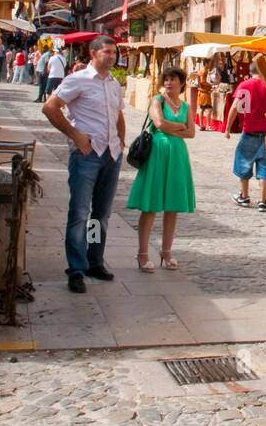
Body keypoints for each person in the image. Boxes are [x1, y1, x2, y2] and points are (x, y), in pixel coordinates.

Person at [43, 36, 125, 294]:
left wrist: (121, 141)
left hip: (110, 154)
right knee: (79, 212)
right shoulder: (78, 80)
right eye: (107, 52)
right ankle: (76, 268)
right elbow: (50, 107)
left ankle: (94, 261)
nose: (112, 57)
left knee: (100, 214)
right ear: (93, 53)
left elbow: (119, 114)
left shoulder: (114, 84)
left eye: (114, 53)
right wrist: (75, 135)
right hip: (87, 154)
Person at [127, 67, 195, 271]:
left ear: (181, 83)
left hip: (177, 155)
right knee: (151, 205)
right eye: (166, 79)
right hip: (157, 153)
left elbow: (191, 133)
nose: (168, 82)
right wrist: (179, 127)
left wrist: (171, 126)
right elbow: (158, 123)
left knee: (172, 206)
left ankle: (167, 251)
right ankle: (142, 253)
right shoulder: (158, 100)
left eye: (173, 79)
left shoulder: (185, 106)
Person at [224, 70, 266, 210]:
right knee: (265, 166)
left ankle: (244, 196)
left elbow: (234, 108)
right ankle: (263, 201)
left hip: (249, 131)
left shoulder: (245, 85)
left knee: (243, 163)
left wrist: (227, 128)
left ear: (250, 71)